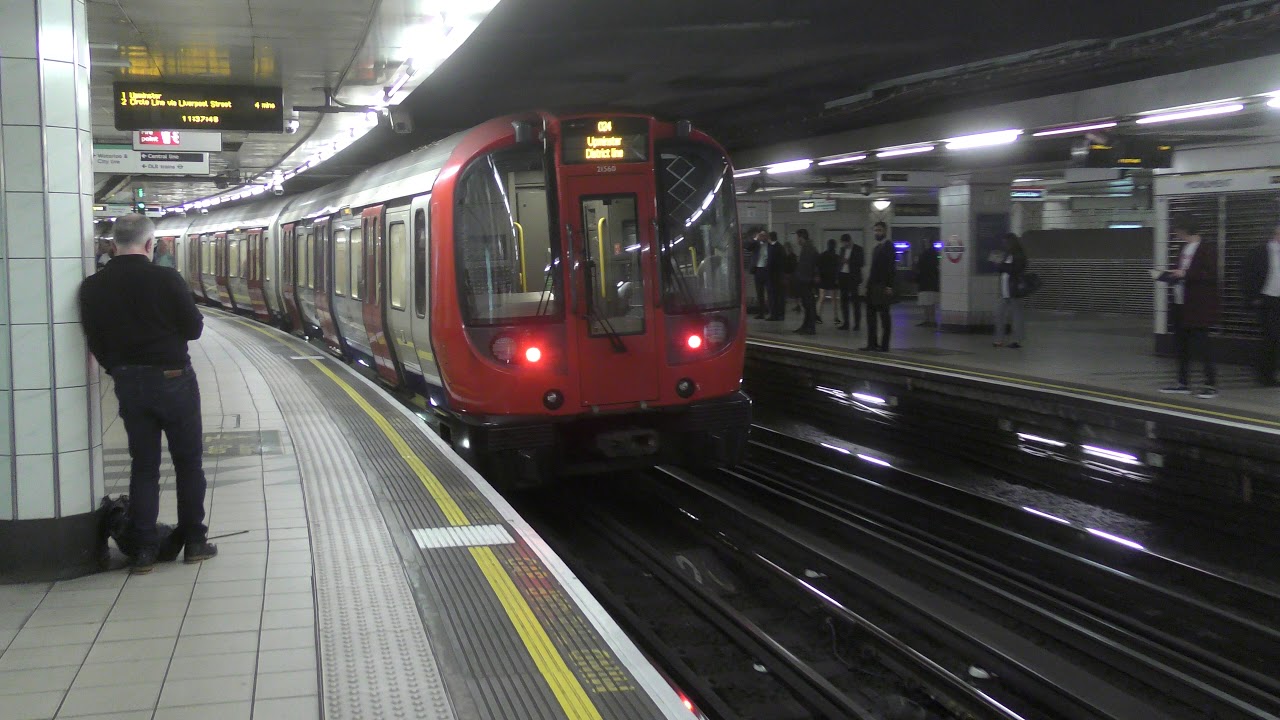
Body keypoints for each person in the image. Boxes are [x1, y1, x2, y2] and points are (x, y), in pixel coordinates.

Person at [79, 214, 218, 573]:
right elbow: (194, 329)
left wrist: (118, 369)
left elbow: (95, 341)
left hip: (129, 382)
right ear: (149, 244)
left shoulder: (92, 286)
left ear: (113, 245)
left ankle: (142, 551)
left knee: (144, 466)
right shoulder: (166, 278)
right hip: (174, 378)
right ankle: (195, 541)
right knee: (188, 463)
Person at [1158, 214, 1219, 398]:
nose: (1176, 234)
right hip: (1180, 303)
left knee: (1203, 346)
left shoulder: (1206, 249)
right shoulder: (1183, 248)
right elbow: (1182, 272)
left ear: (1185, 229)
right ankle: (1183, 382)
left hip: (1198, 306)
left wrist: (1184, 274)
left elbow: (1210, 275)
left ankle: (1210, 384)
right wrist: (1169, 276)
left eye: (1178, 230)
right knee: (1181, 345)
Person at [1242, 222, 1280, 386]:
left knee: (1273, 337)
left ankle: (1268, 372)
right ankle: (1265, 374)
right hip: (1266, 299)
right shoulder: (1259, 252)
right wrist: (1252, 296)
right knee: (1271, 336)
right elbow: (1247, 274)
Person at [864, 222, 895, 351]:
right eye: (875, 230)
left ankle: (884, 344)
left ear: (885, 231)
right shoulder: (876, 248)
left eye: (879, 230)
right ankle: (872, 343)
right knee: (871, 315)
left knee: (884, 316)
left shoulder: (888, 246)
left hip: (882, 286)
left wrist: (889, 285)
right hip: (873, 286)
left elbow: (891, 267)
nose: (877, 232)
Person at [993, 233, 1028, 349]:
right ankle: (999, 339)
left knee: (1017, 316)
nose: (1004, 245)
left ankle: (1017, 340)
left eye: (1006, 242)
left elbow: (1016, 269)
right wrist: (998, 265)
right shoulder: (1007, 255)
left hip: (1014, 290)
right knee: (998, 314)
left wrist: (1002, 266)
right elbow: (1002, 269)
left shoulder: (1019, 255)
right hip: (1004, 290)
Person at [836, 233, 864, 331]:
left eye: (845, 243)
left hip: (853, 277)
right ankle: (846, 323)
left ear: (850, 241)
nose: (844, 245)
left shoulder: (858, 249)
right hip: (843, 276)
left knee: (855, 301)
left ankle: (857, 324)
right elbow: (839, 263)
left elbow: (861, 262)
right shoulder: (842, 249)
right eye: (843, 243)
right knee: (843, 301)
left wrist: (849, 261)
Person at [793, 230, 819, 334]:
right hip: (806, 279)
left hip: (806, 280)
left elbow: (808, 266)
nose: (797, 240)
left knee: (809, 304)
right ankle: (806, 326)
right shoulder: (808, 247)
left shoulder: (808, 249)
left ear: (801, 237)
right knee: (807, 304)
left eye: (797, 238)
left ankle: (810, 327)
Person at [915, 239, 940, 327]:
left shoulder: (924, 254)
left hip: (925, 282)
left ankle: (928, 320)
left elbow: (919, 266)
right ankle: (931, 320)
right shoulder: (934, 254)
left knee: (926, 302)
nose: (925, 244)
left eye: (926, 242)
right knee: (930, 302)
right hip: (931, 282)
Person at [816, 238, 840, 324]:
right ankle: (836, 318)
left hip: (823, 278)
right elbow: (837, 269)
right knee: (834, 299)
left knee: (821, 298)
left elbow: (818, 267)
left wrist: (818, 276)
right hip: (832, 279)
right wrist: (837, 279)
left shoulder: (822, 255)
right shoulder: (836, 256)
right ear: (835, 246)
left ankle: (818, 316)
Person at [749, 230, 770, 318]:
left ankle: (771, 311)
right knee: (759, 292)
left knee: (769, 291)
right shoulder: (756, 244)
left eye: (764, 235)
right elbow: (748, 246)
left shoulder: (770, 245)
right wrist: (756, 238)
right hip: (758, 270)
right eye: (761, 235)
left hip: (767, 270)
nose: (762, 237)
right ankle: (761, 312)